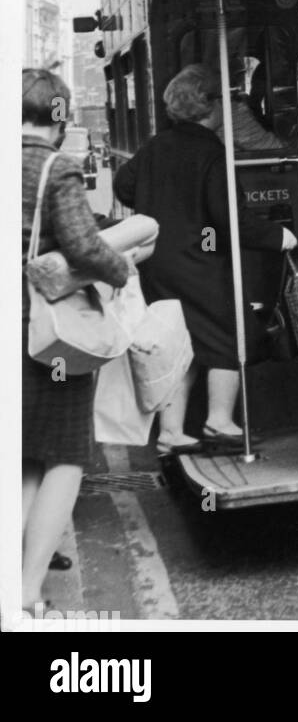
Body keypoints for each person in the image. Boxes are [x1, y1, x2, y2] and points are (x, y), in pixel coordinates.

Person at [114, 65, 298, 454]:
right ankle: (218, 420)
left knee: (178, 341)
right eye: (223, 99)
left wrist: (158, 199)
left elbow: (124, 186)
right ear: (209, 105)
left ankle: (171, 431)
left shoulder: (155, 146)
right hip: (199, 259)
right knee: (232, 330)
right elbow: (227, 217)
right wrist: (277, 236)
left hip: (158, 259)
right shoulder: (211, 152)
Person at [21, 68, 142, 612]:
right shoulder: (56, 167)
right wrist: (122, 270)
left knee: (22, 457)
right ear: (59, 117)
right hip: (44, 336)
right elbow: (83, 246)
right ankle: (25, 594)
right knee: (66, 457)